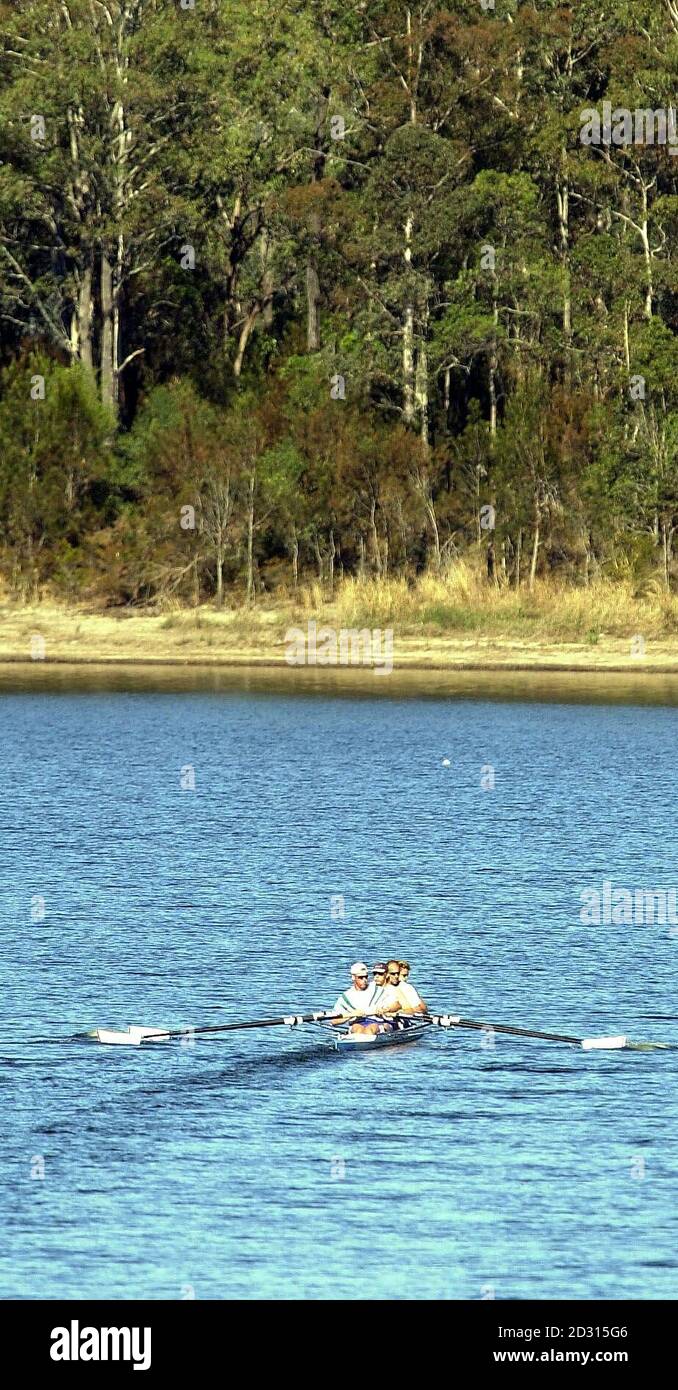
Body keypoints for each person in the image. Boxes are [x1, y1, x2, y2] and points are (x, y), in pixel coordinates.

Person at [331, 962, 400, 1037]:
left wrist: (386, 1009)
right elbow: (334, 1021)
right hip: (357, 1024)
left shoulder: (378, 990)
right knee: (357, 1029)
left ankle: (365, 1043)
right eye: (361, 977)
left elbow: (397, 1005)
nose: (364, 980)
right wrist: (351, 1015)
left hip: (378, 1022)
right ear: (353, 977)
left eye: (366, 977)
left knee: (370, 1029)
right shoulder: (346, 996)